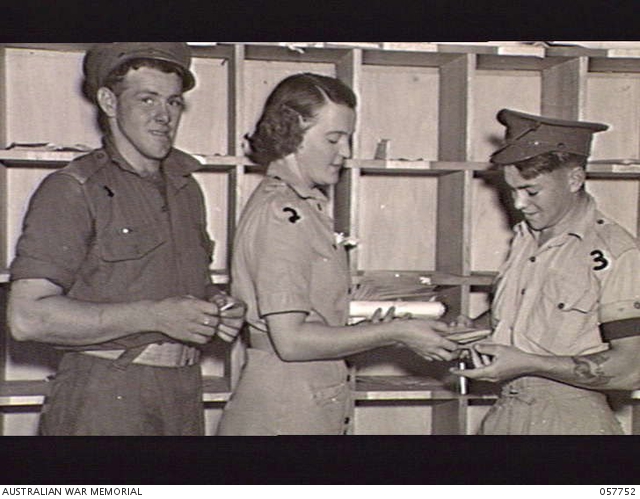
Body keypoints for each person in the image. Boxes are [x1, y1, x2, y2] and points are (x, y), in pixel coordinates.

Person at [7, 42, 245, 436]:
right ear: (108, 102)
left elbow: (180, 286)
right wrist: (154, 316)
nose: (163, 116)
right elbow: (27, 317)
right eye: (147, 99)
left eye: (173, 102)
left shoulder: (187, 189)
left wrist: (216, 308)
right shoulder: (72, 189)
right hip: (105, 396)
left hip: (183, 392)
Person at [216, 73, 459, 436]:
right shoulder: (282, 215)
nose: (344, 153)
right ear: (291, 134)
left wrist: (373, 324)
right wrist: (396, 332)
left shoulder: (304, 207)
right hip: (285, 408)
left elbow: (313, 315)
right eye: (333, 139)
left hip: (306, 398)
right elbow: (291, 340)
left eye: (348, 139)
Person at [450, 109, 640, 435]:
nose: (519, 204)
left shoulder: (615, 252)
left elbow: (632, 368)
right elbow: (529, 319)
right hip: (506, 412)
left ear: (574, 179)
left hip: (572, 420)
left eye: (531, 191)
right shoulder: (527, 237)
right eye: (512, 191)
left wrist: (531, 363)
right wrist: (475, 331)